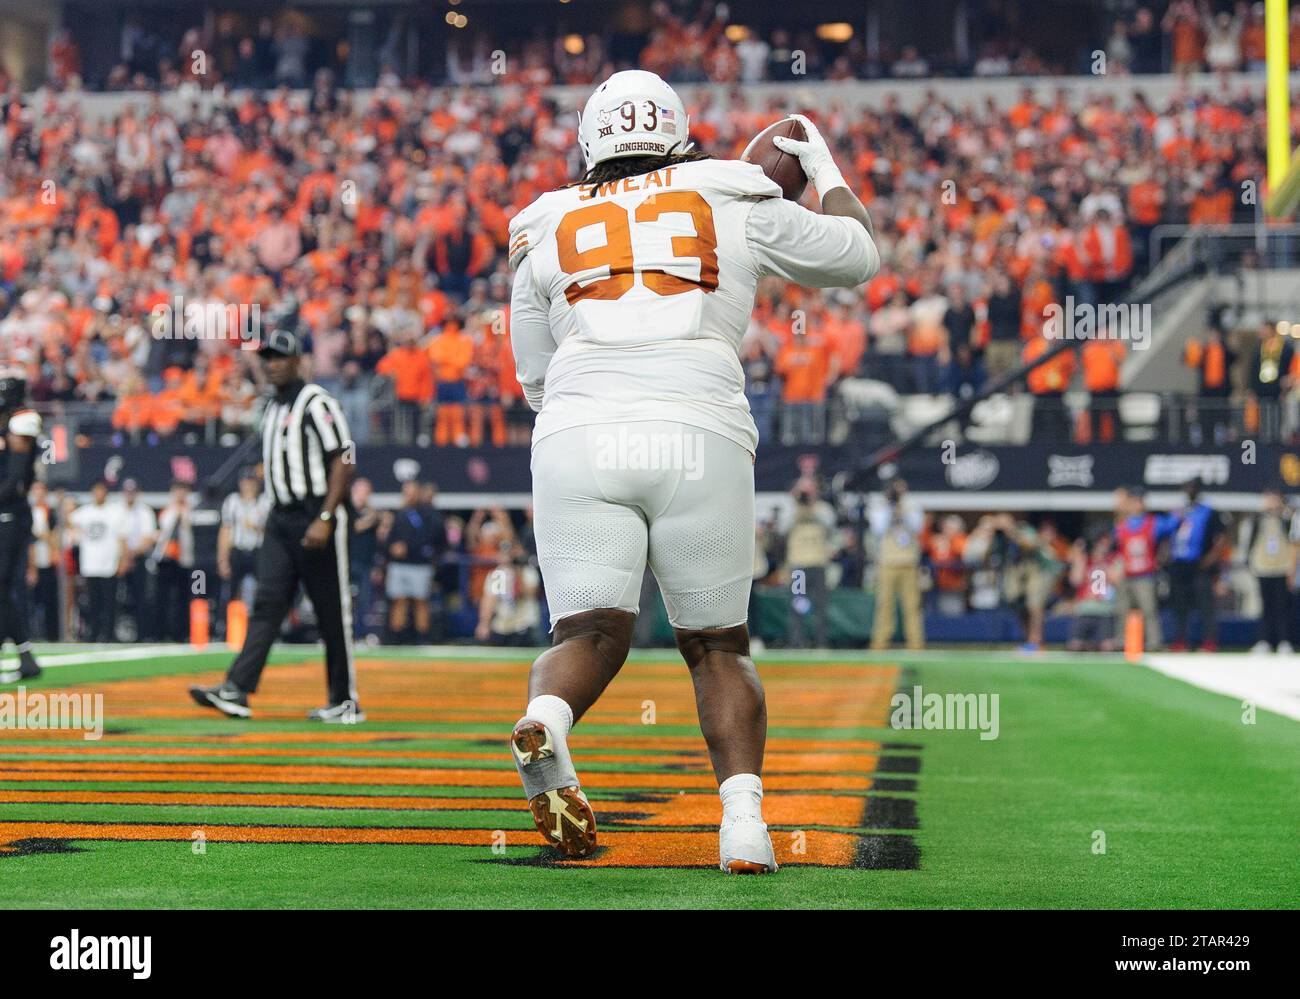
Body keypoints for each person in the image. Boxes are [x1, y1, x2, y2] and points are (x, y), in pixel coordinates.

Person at [506, 72, 878, 872]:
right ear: (675, 132)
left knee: (589, 631)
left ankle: (547, 719)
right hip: (696, 424)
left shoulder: (543, 220)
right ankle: (743, 822)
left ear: (588, 139)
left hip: (578, 430)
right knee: (716, 646)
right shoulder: (730, 189)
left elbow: (533, 377)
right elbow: (857, 256)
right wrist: (827, 175)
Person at [189, 328, 361, 722]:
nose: (272, 364)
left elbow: (345, 458)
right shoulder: (271, 407)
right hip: (280, 517)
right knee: (266, 604)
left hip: (316, 513)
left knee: (332, 611)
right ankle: (236, 689)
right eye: (267, 358)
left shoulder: (316, 401)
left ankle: (345, 700)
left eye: (280, 357)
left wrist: (325, 516)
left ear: (298, 361)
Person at [0, 371, 42, 681]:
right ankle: (22, 655)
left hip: (11, 514)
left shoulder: (23, 421)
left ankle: (27, 657)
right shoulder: (10, 423)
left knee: (2, 586)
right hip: (7, 512)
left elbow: (15, 481)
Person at [1165, 479, 1226, 652]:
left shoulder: (1209, 512)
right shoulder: (1179, 512)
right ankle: (1180, 640)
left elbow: (1221, 538)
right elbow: (1168, 534)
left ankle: (1209, 641)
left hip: (1199, 565)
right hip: (1179, 565)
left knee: (1206, 605)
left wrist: (1210, 559)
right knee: (1180, 605)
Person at [1113, 486, 1176, 650]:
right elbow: (1117, 550)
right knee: (1123, 610)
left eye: (1138, 501)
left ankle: (1154, 642)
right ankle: (1122, 641)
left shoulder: (1153, 523)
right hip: (1126, 574)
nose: (1136, 505)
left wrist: (1171, 511)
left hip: (1145, 574)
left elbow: (1173, 524)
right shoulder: (1121, 526)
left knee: (1149, 610)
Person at [869, 478, 925, 650]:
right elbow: (878, 529)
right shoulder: (879, 507)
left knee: (912, 605)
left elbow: (917, 527)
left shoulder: (912, 506)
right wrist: (890, 509)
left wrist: (903, 510)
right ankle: (880, 643)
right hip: (887, 561)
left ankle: (916, 644)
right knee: (885, 604)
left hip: (909, 561)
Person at [384, 480, 442, 644]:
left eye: (411, 492)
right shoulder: (400, 514)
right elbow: (390, 538)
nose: (408, 496)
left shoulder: (429, 515)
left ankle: (423, 640)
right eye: (406, 493)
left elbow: (434, 539)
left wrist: (409, 547)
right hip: (399, 564)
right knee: (399, 600)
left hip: (420, 564)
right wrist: (392, 547)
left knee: (420, 601)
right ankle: (395, 639)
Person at [70, 481, 129, 643]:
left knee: (109, 602)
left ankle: (109, 633)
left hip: (109, 564)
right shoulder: (84, 512)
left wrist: (123, 560)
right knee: (92, 603)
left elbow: (122, 538)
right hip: (90, 564)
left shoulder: (116, 512)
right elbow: (69, 521)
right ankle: (93, 632)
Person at [1239, 488, 1295, 654]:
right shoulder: (1258, 519)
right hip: (1263, 567)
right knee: (1265, 605)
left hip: (1282, 567)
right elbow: (1250, 541)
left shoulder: (1286, 518)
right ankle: (1264, 640)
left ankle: (1284, 641)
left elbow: (1293, 539)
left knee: (1282, 606)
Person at [784, 479, 835, 648]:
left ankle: (821, 643)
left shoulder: (823, 509)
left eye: (809, 491)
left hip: (818, 564)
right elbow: (782, 528)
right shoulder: (792, 509)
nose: (806, 495)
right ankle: (797, 643)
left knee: (821, 606)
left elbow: (830, 525)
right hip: (799, 565)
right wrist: (797, 506)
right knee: (798, 604)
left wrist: (812, 508)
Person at [218, 469, 270, 615]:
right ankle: (228, 624)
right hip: (238, 550)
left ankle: (260, 620)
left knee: (262, 588)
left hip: (258, 551)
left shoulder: (264, 502)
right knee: (231, 589)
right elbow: (225, 530)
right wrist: (222, 558)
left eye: (251, 482)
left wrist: (256, 527)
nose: (248, 486)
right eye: (245, 482)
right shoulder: (232, 501)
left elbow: (272, 530)